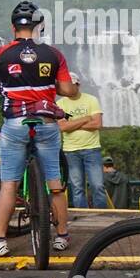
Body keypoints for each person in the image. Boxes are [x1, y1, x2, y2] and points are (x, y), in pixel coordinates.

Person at [0, 1, 76, 255]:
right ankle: (62, 236)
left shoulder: (0, 54)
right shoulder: (53, 54)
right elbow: (68, 91)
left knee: (9, 184)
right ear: (39, 28)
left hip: (14, 124)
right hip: (46, 123)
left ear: (13, 28)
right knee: (55, 184)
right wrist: (58, 85)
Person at [57, 74, 105, 208]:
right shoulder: (60, 104)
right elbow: (62, 127)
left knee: (98, 185)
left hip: (92, 149)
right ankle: (81, 215)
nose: (67, 88)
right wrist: (85, 119)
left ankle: (103, 216)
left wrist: (72, 124)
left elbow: (97, 124)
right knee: (77, 188)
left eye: (69, 85)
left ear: (77, 84)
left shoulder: (91, 100)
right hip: (70, 151)